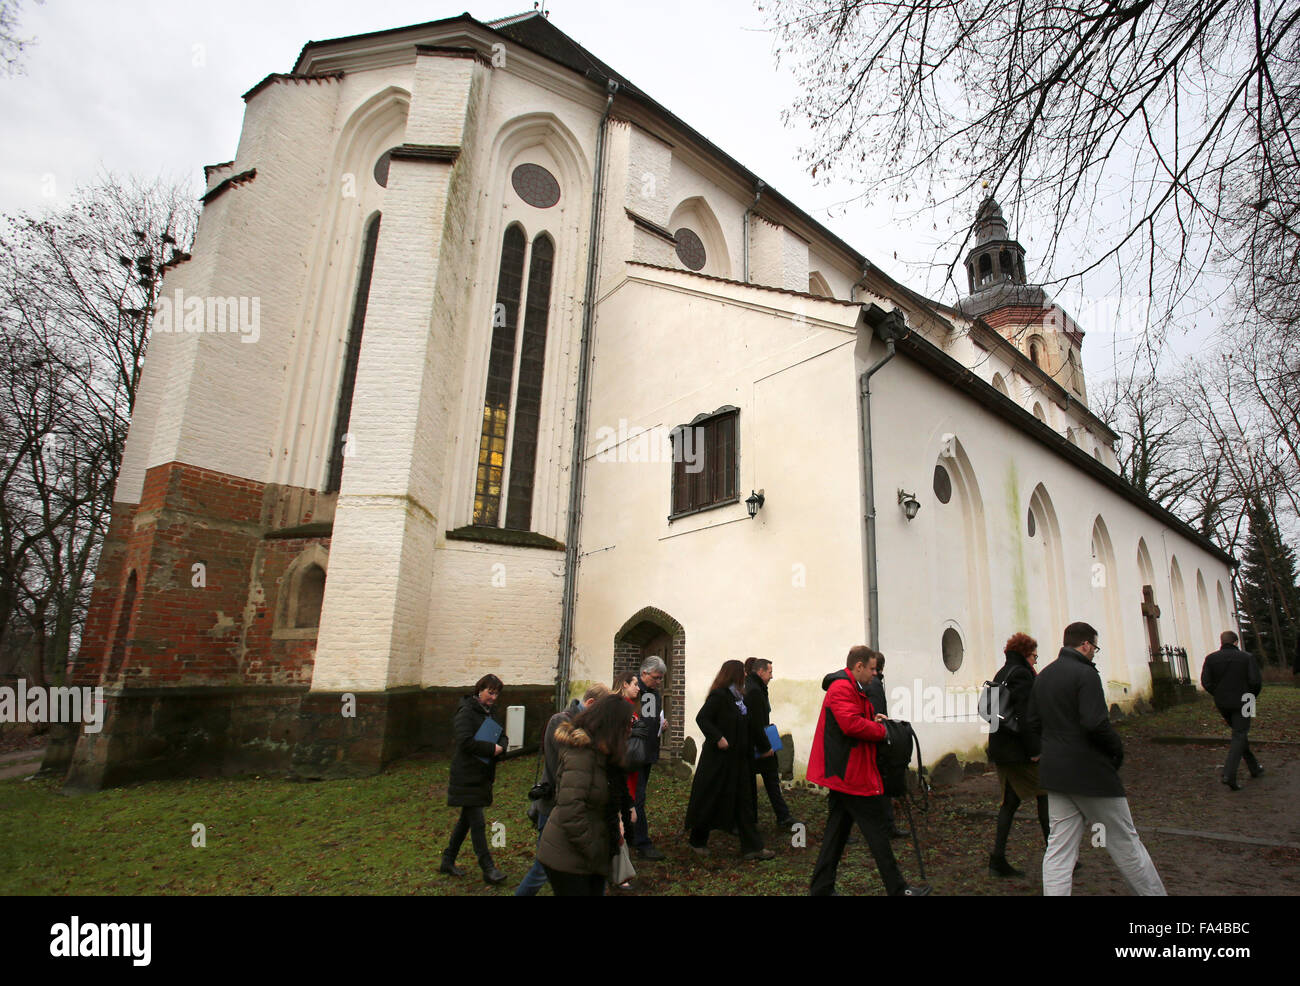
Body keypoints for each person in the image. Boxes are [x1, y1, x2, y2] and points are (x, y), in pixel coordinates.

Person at [1026, 622, 1166, 896]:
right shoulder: (1085, 674)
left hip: (1056, 774)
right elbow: (1094, 723)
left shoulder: (1043, 675)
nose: (1094, 654)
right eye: (1095, 648)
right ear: (1086, 645)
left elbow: (1031, 722)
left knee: (1059, 849)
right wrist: (1116, 749)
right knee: (1125, 842)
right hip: (1091, 773)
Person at [808, 645, 929, 895]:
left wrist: (874, 720)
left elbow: (856, 719)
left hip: (846, 772)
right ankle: (899, 890)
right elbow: (850, 725)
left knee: (836, 834)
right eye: (872, 669)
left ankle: (821, 888)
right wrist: (883, 731)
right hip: (849, 773)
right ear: (859, 666)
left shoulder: (853, 687)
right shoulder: (841, 688)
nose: (875, 674)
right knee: (877, 835)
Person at [515, 683, 609, 896]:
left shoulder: (586, 725)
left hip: (568, 802)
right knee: (543, 867)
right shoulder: (562, 722)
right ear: (591, 703)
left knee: (554, 866)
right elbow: (564, 767)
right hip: (553, 804)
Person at [537, 693, 636, 895]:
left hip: (589, 857)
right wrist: (594, 850)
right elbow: (570, 809)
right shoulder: (581, 754)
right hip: (567, 859)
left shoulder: (605, 755)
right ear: (612, 725)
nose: (630, 729)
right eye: (627, 724)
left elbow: (608, 796)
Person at [685, 660, 776, 860]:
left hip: (739, 761)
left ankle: (752, 847)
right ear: (733, 675)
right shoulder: (720, 696)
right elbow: (703, 718)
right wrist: (718, 737)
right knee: (711, 800)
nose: (745, 676)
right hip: (719, 762)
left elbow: (752, 726)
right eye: (742, 673)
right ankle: (697, 840)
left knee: (744, 802)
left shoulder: (740, 699)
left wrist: (766, 747)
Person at [987, 632, 1049, 877]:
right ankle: (1059, 856)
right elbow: (1025, 716)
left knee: (1010, 803)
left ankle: (997, 859)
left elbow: (995, 716)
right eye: (1035, 656)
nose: (1036, 661)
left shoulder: (1002, 673)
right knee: (1045, 795)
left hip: (1002, 750)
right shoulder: (1022, 674)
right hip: (1019, 752)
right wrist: (1035, 750)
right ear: (1026, 653)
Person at [441, 673, 509, 884]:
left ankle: (448, 860)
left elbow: (502, 735)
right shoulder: (466, 712)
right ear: (480, 689)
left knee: (465, 821)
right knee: (477, 821)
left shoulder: (491, 712)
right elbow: (465, 742)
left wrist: (502, 747)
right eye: (490, 692)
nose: (493, 697)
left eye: (496, 693)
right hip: (466, 774)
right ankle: (488, 868)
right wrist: (493, 749)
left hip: (482, 774)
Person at [1200, 630, 1265, 790]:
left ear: (1222, 642)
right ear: (1236, 642)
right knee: (1240, 734)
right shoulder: (1247, 657)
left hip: (1223, 703)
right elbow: (1255, 682)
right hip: (1246, 700)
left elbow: (1206, 682)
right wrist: (1251, 697)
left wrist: (1218, 694)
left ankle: (1254, 767)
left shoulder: (1211, 658)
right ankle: (1229, 774)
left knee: (1239, 733)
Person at [743, 657, 797, 829]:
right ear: (760, 672)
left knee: (771, 780)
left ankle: (781, 816)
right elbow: (755, 723)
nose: (772, 676)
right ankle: (753, 821)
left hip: (761, 741)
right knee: (759, 783)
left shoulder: (757, 688)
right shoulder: (754, 691)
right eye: (770, 672)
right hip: (758, 744)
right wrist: (766, 747)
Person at [629, 656, 667, 860]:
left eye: (661, 678)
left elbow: (650, 716)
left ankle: (632, 835)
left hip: (648, 751)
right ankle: (642, 842)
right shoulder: (633, 690)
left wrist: (660, 723)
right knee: (637, 797)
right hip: (635, 753)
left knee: (637, 796)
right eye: (656, 678)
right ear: (644, 674)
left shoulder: (652, 692)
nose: (659, 682)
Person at [862, 650, 903, 838]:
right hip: (875, 739)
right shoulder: (875, 685)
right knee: (880, 782)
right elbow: (876, 713)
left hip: (873, 738)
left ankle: (884, 825)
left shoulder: (872, 684)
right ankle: (887, 826)